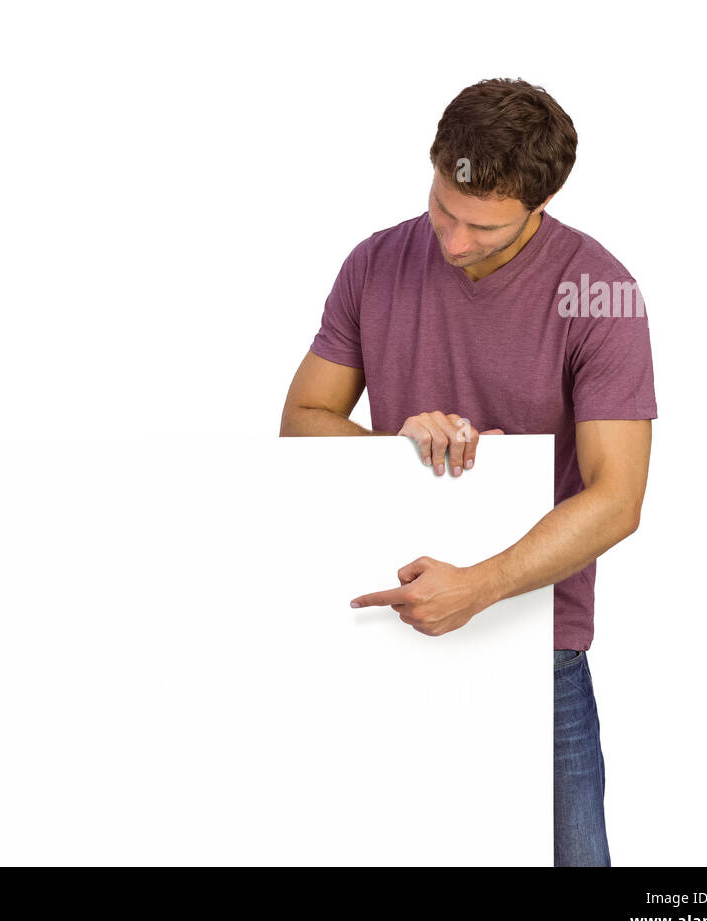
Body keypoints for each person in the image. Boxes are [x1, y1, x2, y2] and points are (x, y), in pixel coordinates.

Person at [279, 78, 656, 866]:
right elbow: (300, 423)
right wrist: (391, 443)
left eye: (481, 227)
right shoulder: (375, 262)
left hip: (536, 642)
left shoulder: (601, 293)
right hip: (377, 622)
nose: (451, 242)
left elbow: (617, 499)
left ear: (541, 204)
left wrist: (477, 585)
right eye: (442, 208)